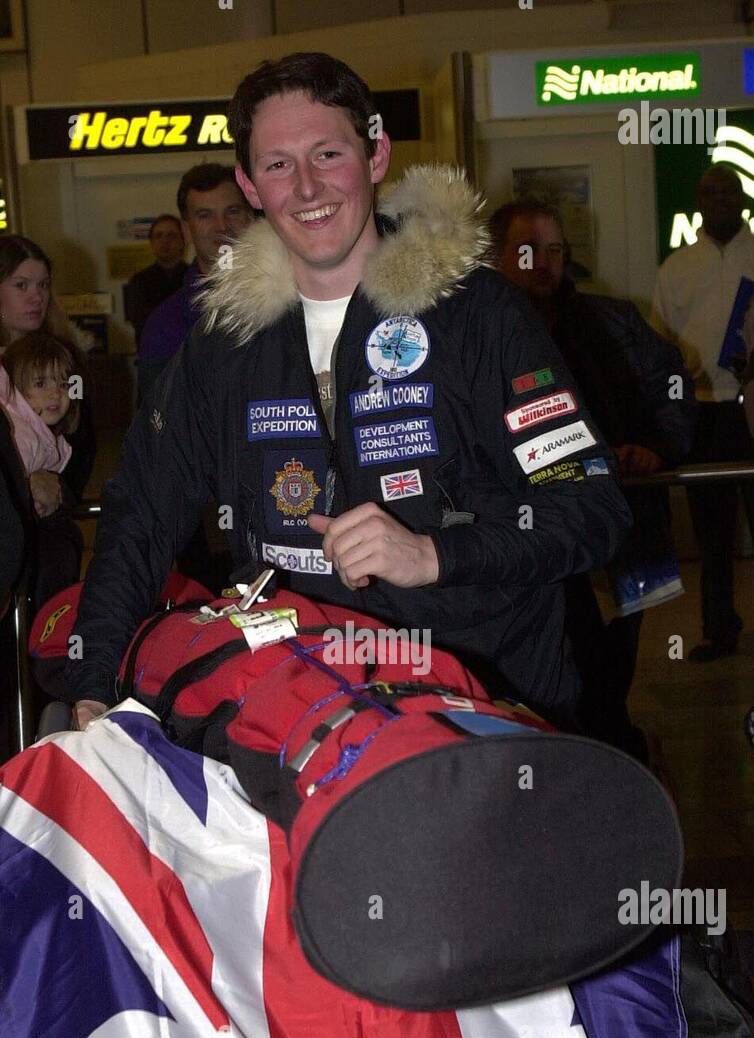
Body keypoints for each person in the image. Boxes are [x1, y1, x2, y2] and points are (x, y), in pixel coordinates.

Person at [67, 51, 631, 733]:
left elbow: (591, 507)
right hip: (303, 718)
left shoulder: (477, 315)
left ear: (375, 154)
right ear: (250, 185)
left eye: (328, 153)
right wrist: (94, 682)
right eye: (278, 165)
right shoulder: (226, 343)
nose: (306, 188)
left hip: (484, 713)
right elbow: (140, 517)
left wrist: (434, 555)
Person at [490, 198, 696, 759]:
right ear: (497, 255)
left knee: (617, 658)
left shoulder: (613, 321)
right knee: (563, 664)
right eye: (528, 250)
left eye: (555, 250)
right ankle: (592, 759)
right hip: (537, 535)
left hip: (623, 528)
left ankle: (613, 756)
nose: (543, 263)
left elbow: (669, 384)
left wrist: (655, 446)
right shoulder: (481, 331)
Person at [652, 166, 754, 661]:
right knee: (712, 534)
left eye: (727, 191)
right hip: (707, 414)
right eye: (709, 193)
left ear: (742, 197)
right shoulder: (676, 268)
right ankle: (719, 630)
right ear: (698, 201)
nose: (718, 200)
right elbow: (661, 343)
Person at [0, 236, 95, 608]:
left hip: (50, 521)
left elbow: (82, 437)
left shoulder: (68, 359)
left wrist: (55, 483)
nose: (35, 296)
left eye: (42, 285)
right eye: (20, 285)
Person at [137, 165, 253, 400]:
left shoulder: (292, 302)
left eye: (232, 211)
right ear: (186, 230)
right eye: (204, 215)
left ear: (250, 217)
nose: (222, 226)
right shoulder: (165, 326)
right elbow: (157, 426)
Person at [123, 214, 186, 348]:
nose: (165, 241)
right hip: (153, 354)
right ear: (151, 243)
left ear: (182, 241)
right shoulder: (138, 281)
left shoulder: (195, 277)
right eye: (159, 236)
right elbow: (140, 322)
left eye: (171, 235)